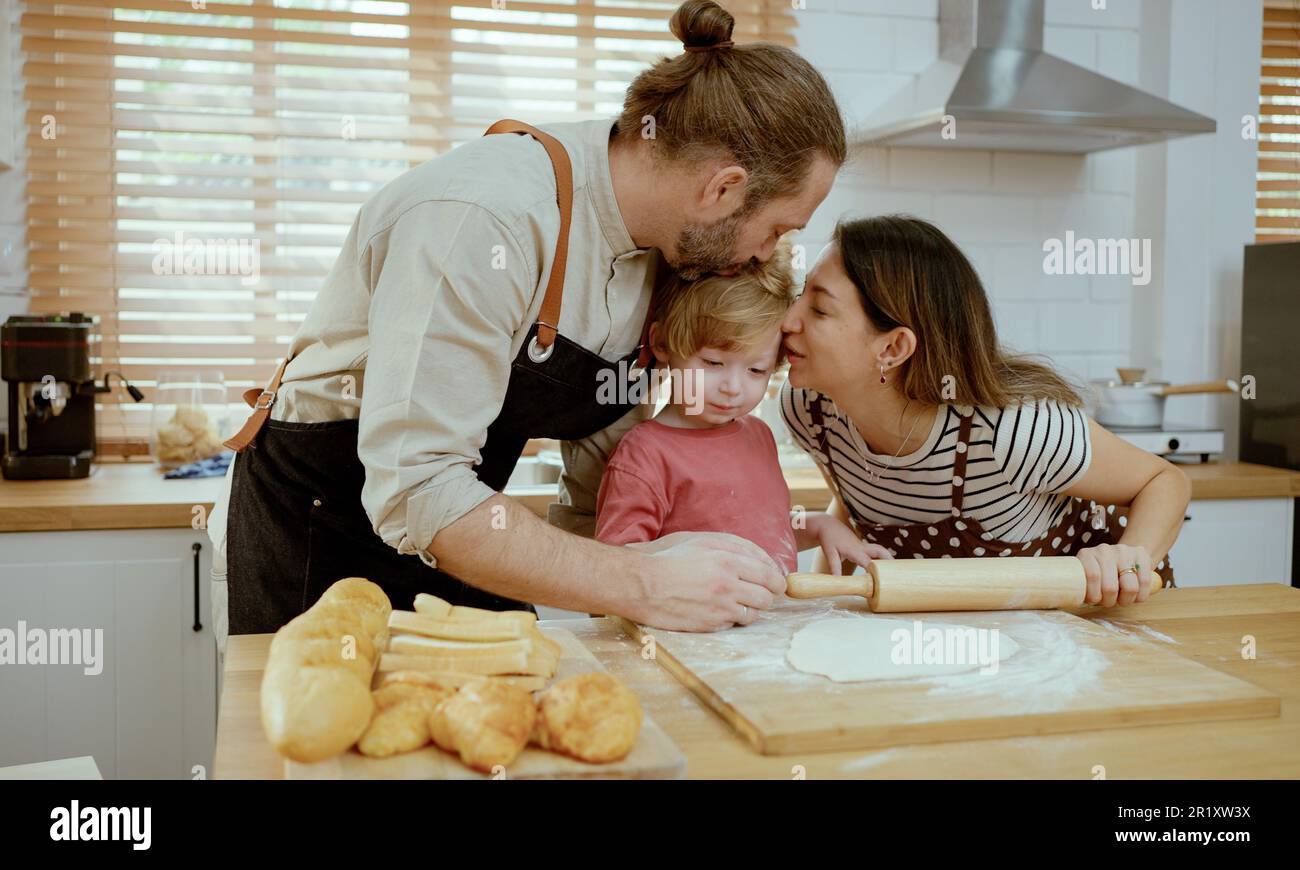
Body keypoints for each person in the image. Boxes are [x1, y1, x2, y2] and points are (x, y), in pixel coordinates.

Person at [207, 0, 848, 647]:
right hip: (323, 525)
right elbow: (420, 488)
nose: (766, 255)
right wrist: (642, 581)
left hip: (470, 526)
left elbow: (604, 454)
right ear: (724, 190)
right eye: (778, 229)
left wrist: (665, 561)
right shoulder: (488, 218)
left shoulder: (668, 251)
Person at [780, 215, 1192, 606]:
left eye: (818, 309)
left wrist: (1129, 561)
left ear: (892, 348)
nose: (787, 321)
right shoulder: (810, 410)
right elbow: (857, 509)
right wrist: (833, 604)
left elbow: (1165, 480)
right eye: (800, 297)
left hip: (1092, 624)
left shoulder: (1012, 431)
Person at [594, 242, 889, 579]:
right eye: (713, 362)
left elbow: (759, 530)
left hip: (769, 626)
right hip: (692, 630)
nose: (733, 387)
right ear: (662, 343)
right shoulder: (644, 454)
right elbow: (616, 565)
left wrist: (820, 526)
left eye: (756, 371)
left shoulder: (757, 436)